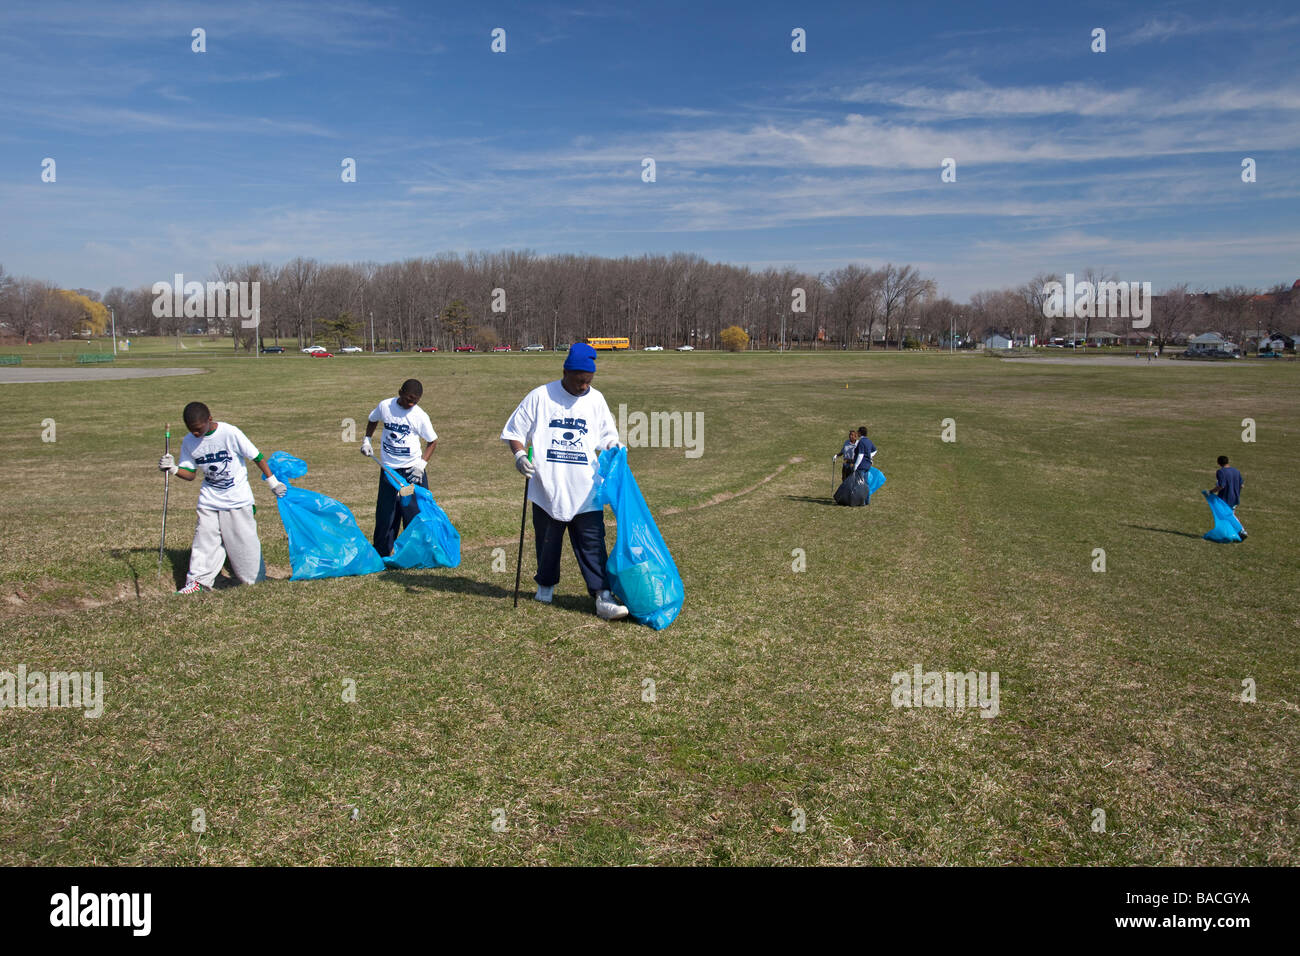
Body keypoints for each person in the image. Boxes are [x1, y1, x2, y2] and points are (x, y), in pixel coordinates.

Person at [500, 343, 629, 620]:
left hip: (586, 490)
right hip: (547, 486)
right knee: (547, 542)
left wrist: (615, 446)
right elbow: (514, 431)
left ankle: (602, 595)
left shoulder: (596, 400)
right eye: (579, 380)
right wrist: (520, 455)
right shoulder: (540, 396)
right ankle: (545, 585)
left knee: (593, 543)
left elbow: (607, 436)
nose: (584, 386)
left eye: (588, 381)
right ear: (565, 372)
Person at [158, 401, 286, 594]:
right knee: (203, 541)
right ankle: (198, 582)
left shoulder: (230, 433)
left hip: (238, 501)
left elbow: (256, 457)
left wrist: (273, 482)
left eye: (198, 429)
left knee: (245, 550)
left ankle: (254, 583)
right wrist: (174, 468)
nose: (195, 434)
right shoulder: (189, 442)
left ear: (209, 419)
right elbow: (191, 474)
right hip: (209, 501)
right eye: (191, 430)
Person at [361, 378, 437, 556]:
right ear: (400, 392)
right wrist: (367, 440)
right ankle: (382, 553)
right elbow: (373, 419)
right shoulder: (385, 406)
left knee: (413, 513)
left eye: (415, 401)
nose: (410, 403)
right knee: (386, 514)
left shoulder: (419, 415)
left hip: (412, 472)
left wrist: (421, 464)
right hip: (389, 470)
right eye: (408, 398)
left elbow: (432, 441)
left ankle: (416, 554)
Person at [1209, 455, 1247, 540]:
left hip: (1225, 498)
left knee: (1228, 515)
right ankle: (1231, 533)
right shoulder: (1236, 471)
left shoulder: (1221, 472)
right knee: (1229, 515)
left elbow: (1222, 485)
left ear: (1218, 463)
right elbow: (1242, 485)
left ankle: (1242, 531)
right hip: (1235, 497)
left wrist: (1211, 491)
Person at [854, 425, 879, 503]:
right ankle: (867, 500)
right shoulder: (868, 441)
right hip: (868, 465)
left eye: (858, 431)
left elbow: (860, 455)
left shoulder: (861, 442)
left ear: (860, 433)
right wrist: (869, 456)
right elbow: (875, 450)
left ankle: (861, 501)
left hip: (861, 465)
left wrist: (856, 465)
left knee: (860, 483)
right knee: (866, 483)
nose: (857, 433)